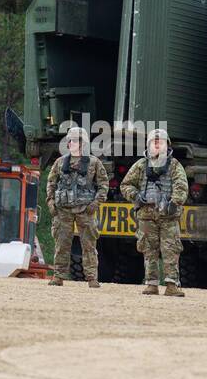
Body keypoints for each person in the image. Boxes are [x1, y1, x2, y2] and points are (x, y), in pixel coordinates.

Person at [120, 128, 188, 296]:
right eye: (154, 142)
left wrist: (175, 202)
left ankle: (172, 284)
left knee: (170, 249)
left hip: (168, 216)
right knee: (149, 249)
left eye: (161, 142)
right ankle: (151, 284)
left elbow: (181, 185)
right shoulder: (141, 165)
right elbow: (125, 185)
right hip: (146, 215)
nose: (157, 145)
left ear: (167, 146)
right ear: (148, 145)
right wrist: (136, 196)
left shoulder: (174, 165)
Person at [46, 126, 108, 287]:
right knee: (61, 244)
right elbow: (51, 183)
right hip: (63, 211)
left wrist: (96, 203)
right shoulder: (60, 163)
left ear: (83, 143)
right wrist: (51, 202)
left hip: (85, 211)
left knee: (89, 245)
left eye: (74, 140)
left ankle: (92, 278)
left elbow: (103, 185)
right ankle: (58, 276)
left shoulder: (94, 162)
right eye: (69, 140)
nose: (70, 143)